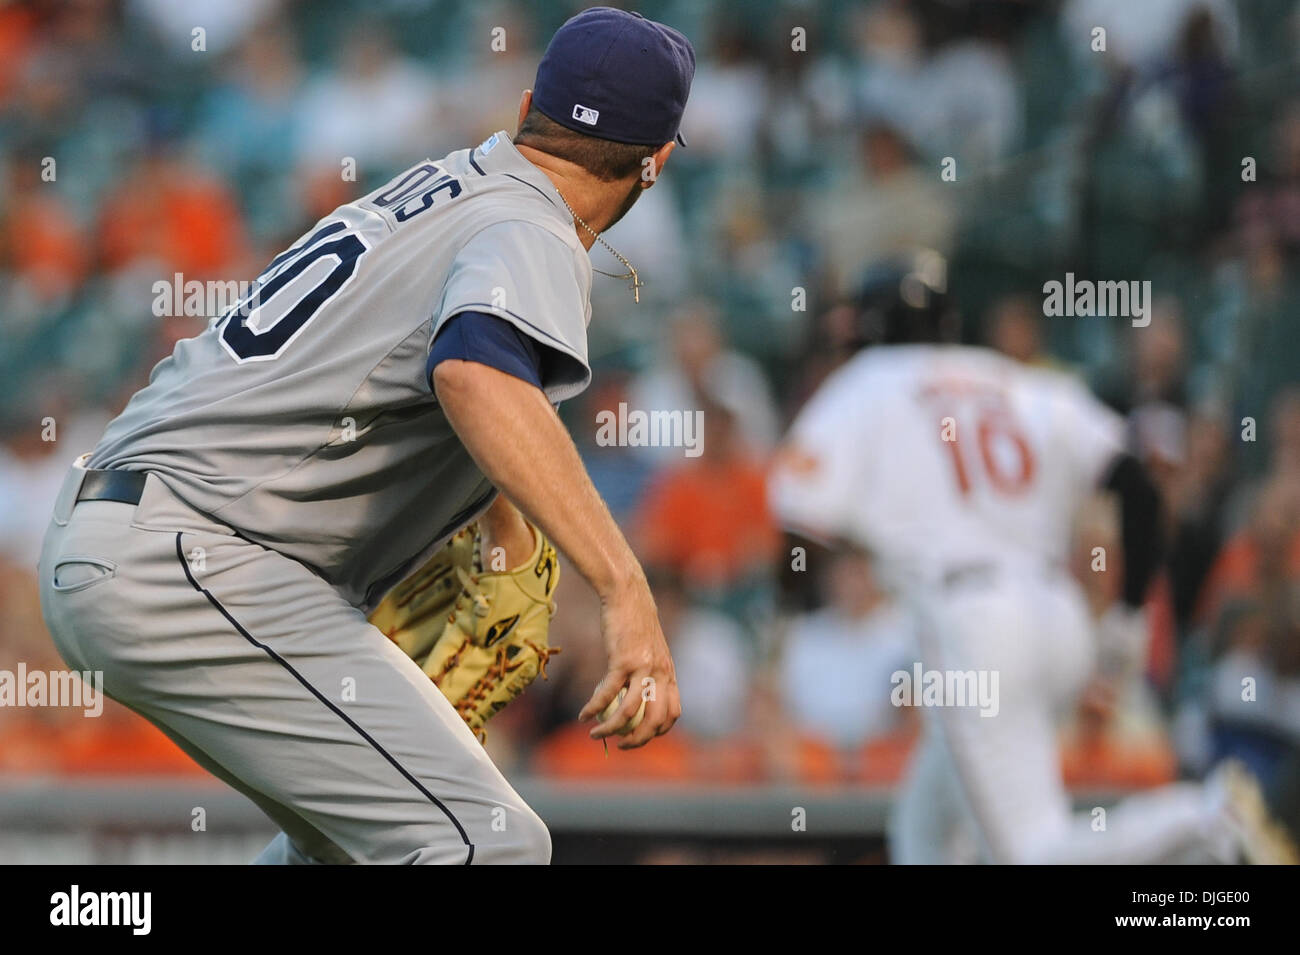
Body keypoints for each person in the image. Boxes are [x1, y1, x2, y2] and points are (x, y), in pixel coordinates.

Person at [38, 7, 693, 865]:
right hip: (195, 554)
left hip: (134, 535)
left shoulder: (446, 185)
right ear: (657, 160)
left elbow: (410, 361)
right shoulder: (532, 225)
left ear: (528, 107)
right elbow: (473, 372)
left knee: (347, 852)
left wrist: (497, 521)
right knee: (489, 845)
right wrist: (623, 586)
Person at [769, 250, 1297, 864]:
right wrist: (1127, 616)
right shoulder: (1019, 380)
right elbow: (1136, 485)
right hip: (1056, 617)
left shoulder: (870, 379)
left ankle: (1206, 816)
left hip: (972, 628)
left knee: (1032, 856)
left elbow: (799, 519)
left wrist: (788, 618)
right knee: (924, 831)